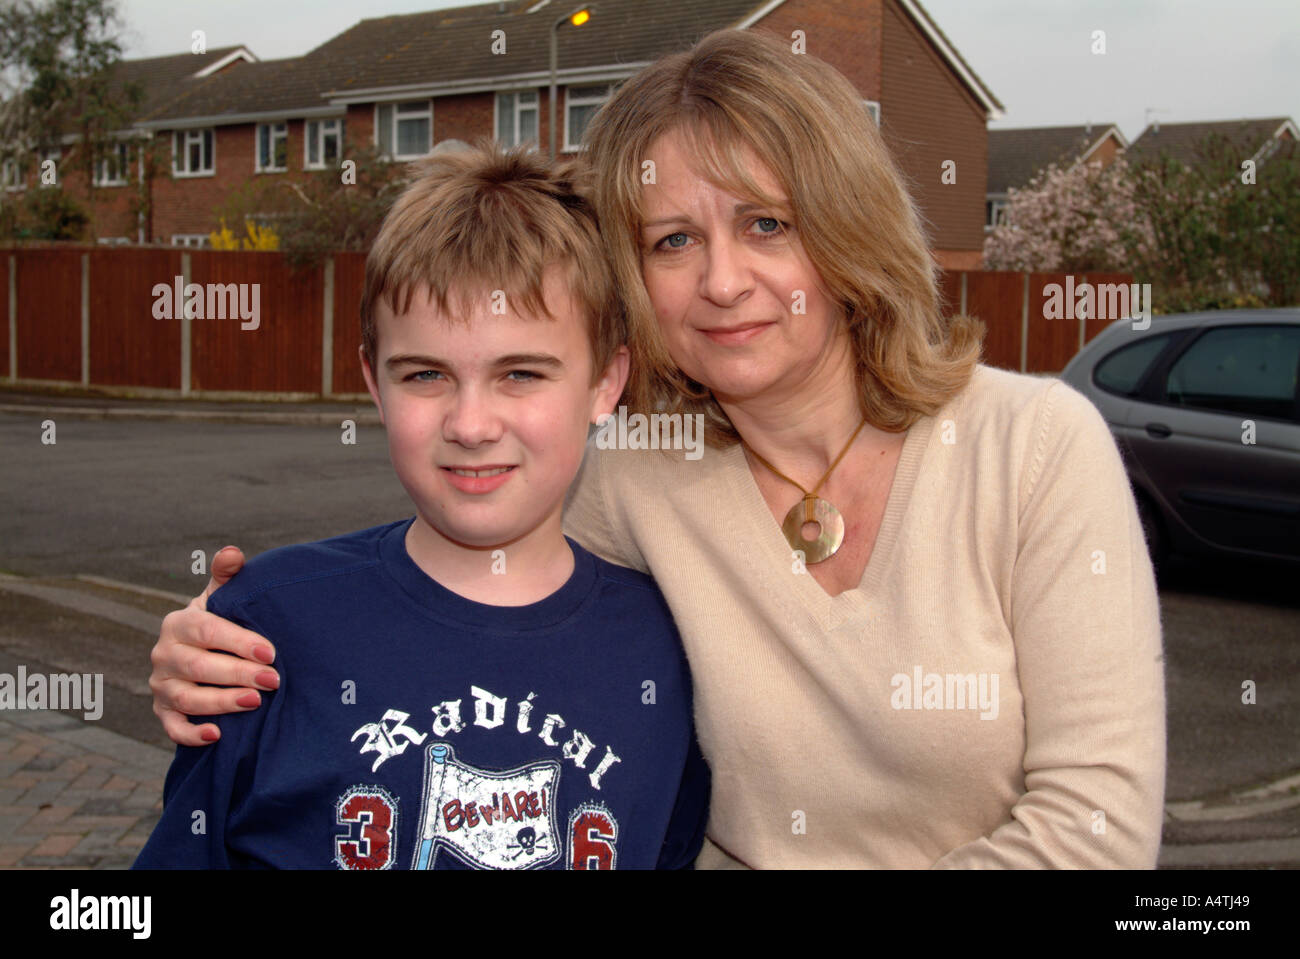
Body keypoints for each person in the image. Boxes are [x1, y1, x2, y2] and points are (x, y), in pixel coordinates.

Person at [147, 30, 1165, 868]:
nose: (721, 280)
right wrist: (231, 634)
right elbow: (459, 548)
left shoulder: (1032, 448)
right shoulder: (632, 481)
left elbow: (1097, 826)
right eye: (672, 240)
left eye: (765, 223)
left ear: (844, 230)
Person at [134, 143, 710, 870]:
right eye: (427, 374)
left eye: (521, 373)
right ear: (374, 382)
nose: (470, 425)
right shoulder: (262, 635)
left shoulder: (667, 649)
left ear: (606, 382)